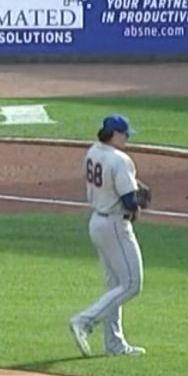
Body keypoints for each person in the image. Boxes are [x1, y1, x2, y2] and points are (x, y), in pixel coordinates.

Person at [68, 114, 148, 358]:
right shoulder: (120, 159)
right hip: (114, 224)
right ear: (114, 134)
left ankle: (114, 344)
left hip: (97, 222)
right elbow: (129, 199)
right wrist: (137, 207)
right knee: (132, 284)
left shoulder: (93, 151)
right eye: (125, 134)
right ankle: (84, 320)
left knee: (115, 285)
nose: (127, 138)